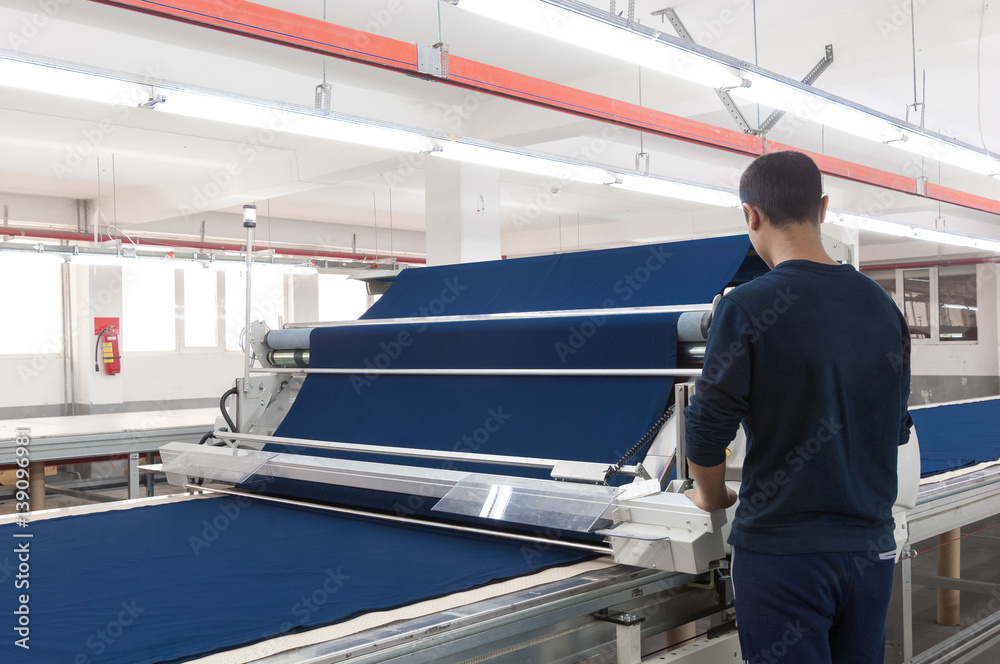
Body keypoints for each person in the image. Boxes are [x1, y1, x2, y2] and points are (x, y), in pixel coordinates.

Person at [683, 151, 912, 664]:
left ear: (751, 215)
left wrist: (712, 495)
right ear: (823, 208)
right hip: (870, 552)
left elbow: (705, 431)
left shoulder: (744, 305)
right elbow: (896, 428)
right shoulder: (882, 307)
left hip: (783, 556)